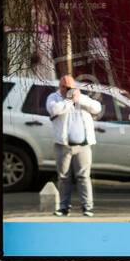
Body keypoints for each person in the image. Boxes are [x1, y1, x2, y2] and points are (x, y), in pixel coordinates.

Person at [45, 74, 101, 216]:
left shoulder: (81, 97)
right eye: (65, 87)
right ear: (60, 87)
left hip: (83, 145)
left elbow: (97, 108)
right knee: (64, 177)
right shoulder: (54, 97)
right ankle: (64, 208)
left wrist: (79, 98)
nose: (68, 90)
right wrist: (69, 101)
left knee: (83, 177)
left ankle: (87, 207)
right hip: (63, 145)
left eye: (71, 87)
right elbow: (54, 110)